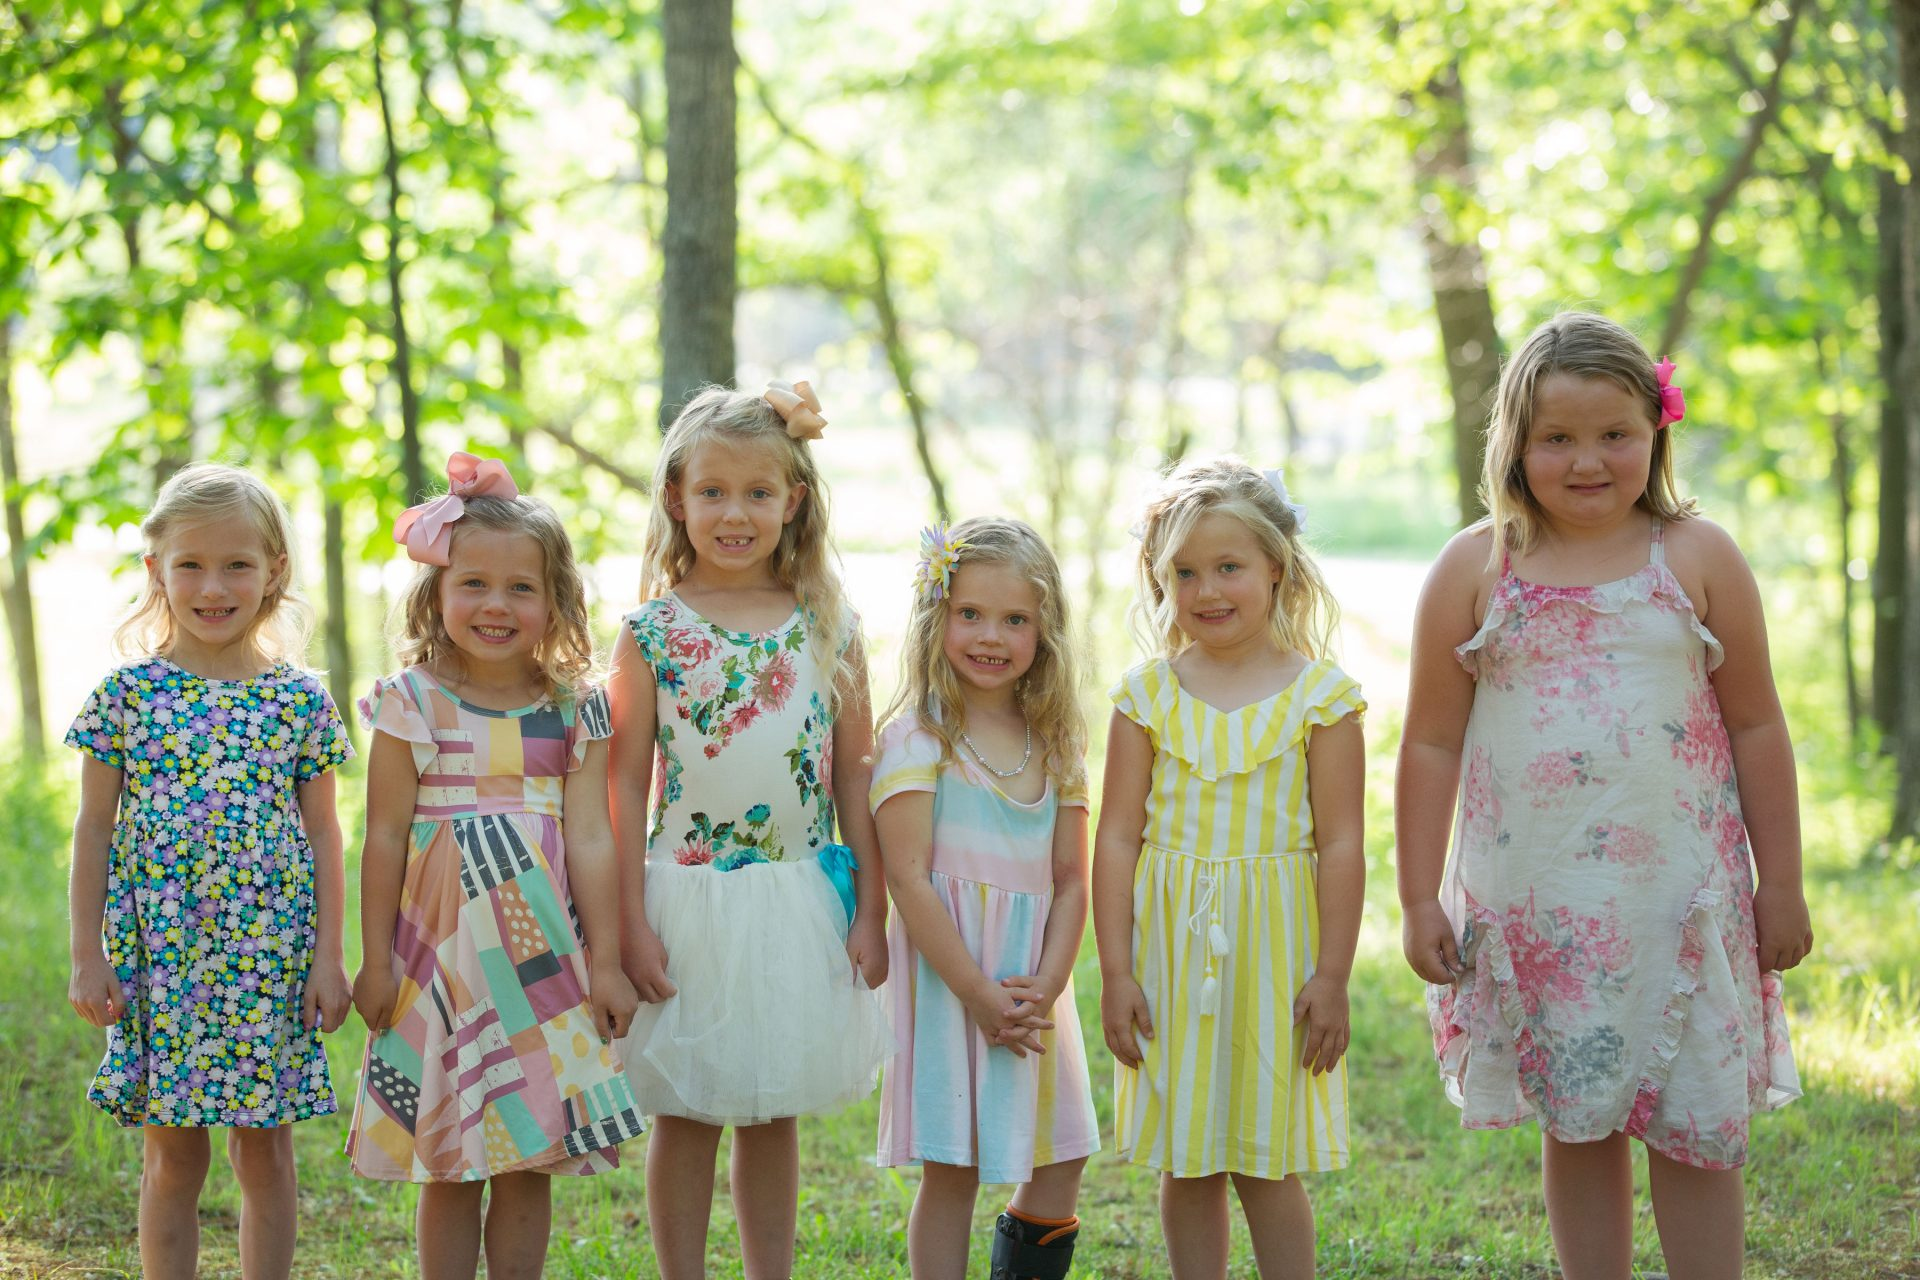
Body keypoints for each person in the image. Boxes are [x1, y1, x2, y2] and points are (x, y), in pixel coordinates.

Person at [1396, 311, 1806, 1280]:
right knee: (1579, 1121)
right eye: (1557, 438)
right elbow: (1429, 740)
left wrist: (1779, 879)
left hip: (1684, 898)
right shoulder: (1476, 567)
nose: (1588, 460)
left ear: (1655, 432)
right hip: (1544, 907)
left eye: (1614, 434)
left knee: (1696, 1123)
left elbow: (1756, 722)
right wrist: (1419, 896)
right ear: (1514, 444)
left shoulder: (1695, 556)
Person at [610, 381, 891, 1280]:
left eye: (758, 493)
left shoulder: (829, 627)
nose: (736, 513)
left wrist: (872, 909)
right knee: (686, 1110)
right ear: (676, 501)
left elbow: (856, 777)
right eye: (714, 492)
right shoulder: (651, 634)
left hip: (797, 896)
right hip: (682, 898)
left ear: (793, 501)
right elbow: (622, 789)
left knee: (775, 1109)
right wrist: (626, 925)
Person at [346, 453, 644, 1280]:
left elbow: (592, 837)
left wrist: (608, 964)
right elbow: (384, 836)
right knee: (448, 1157)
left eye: (522, 588)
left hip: (544, 960)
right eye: (473, 583)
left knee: (527, 1150)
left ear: (557, 602)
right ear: (435, 595)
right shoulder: (413, 700)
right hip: (441, 962)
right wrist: (373, 961)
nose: (497, 605)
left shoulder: (573, 704)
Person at [66, 462, 354, 1280]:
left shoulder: (298, 702)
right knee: (173, 1159)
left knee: (265, 1158)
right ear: (154, 570)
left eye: (237, 564)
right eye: (190, 563)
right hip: (166, 962)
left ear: (275, 573)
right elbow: (93, 829)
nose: (213, 585)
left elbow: (326, 833)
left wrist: (330, 956)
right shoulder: (126, 697)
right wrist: (88, 953)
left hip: (267, 963)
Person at [1094, 458, 1365, 1280]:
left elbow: (1344, 842)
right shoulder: (1147, 697)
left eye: (1228, 567)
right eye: (1183, 573)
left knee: (1266, 1158)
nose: (1206, 590)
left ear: (1276, 567)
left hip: (1276, 954)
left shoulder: (1322, 698)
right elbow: (1114, 839)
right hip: (1172, 954)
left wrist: (1334, 973)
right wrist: (1115, 970)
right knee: (1188, 1159)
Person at [871, 517, 1100, 1280]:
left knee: (1060, 1156)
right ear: (936, 617)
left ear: (1045, 630)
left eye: (1014, 619)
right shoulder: (916, 740)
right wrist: (974, 992)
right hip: (953, 983)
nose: (989, 636)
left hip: (1032, 991)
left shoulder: (1058, 742)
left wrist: (1051, 983)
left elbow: (1073, 879)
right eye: (969, 613)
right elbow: (908, 879)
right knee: (954, 1171)